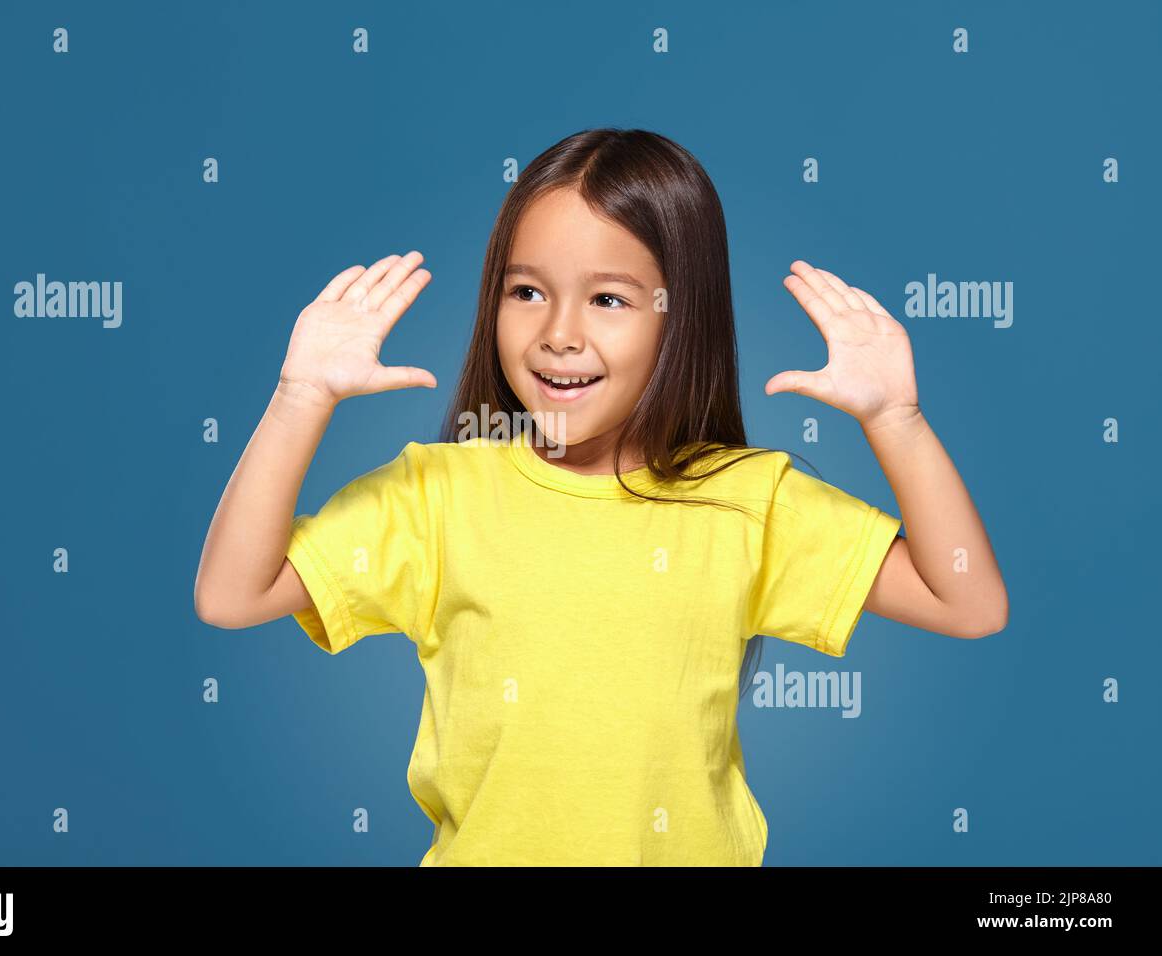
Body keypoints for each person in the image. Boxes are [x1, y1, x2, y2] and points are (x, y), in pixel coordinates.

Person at [193, 128, 1008, 866]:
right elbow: (233, 594)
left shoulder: (747, 502)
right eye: (527, 292)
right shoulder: (438, 494)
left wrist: (895, 421)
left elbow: (967, 601)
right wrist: (300, 397)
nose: (559, 334)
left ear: (678, 317)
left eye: (609, 299)